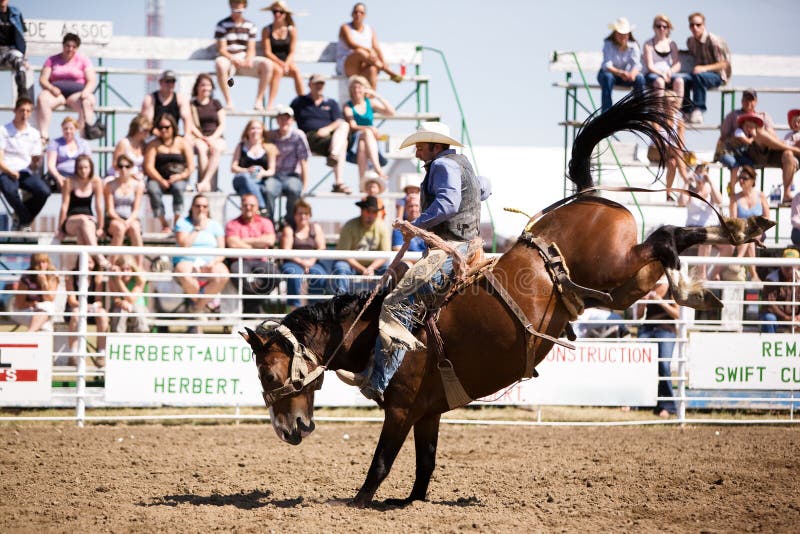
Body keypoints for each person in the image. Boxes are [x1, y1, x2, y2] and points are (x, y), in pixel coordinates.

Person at [337, 122, 491, 402]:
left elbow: (448, 204)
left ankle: (378, 379)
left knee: (397, 302)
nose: (417, 152)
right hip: (466, 244)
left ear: (435, 146)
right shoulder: (461, 163)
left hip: (450, 249)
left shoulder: (443, 166)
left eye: (420, 146)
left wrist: (415, 225)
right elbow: (483, 188)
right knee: (400, 279)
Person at [173, 194, 230, 332]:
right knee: (185, 273)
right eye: (198, 206)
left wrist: (213, 262)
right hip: (187, 261)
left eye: (204, 206)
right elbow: (184, 245)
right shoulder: (183, 223)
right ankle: (201, 308)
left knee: (223, 274)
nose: (201, 209)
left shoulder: (215, 225)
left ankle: (196, 308)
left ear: (208, 208)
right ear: (192, 207)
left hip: (210, 262)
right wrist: (197, 228)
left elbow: (222, 252)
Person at [35, 33, 105, 141]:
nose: (70, 49)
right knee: (42, 98)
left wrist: (86, 91)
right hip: (56, 94)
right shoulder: (52, 60)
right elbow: (43, 79)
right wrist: (51, 88)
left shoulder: (84, 60)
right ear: (63, 45)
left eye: (73, 47)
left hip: (76, 95)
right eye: (68, 46)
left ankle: (83, 138)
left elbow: (91, 80)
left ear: (77, 48)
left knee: (88, 101)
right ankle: (43, 136)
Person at [290, 73, 351, 194]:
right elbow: (289, 117)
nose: (319, 86)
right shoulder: (300, 102)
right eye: (316, 83)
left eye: (321, 84)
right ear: (309, 85)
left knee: (344, 128)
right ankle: (338, 181)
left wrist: (327, 129)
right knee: (342, 143)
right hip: (308, 137)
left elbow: (339, 120)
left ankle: (333, 157)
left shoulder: (331, 102)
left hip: (329, 139)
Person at [224, 192, 280, 314]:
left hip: (261, 262)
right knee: (240, 275)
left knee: (274, 275)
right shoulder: (232, 223)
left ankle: (252, 305)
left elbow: (270, 240)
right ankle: (254, 308)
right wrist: (257, 244)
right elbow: (232, 243)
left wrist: (243, 242)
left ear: (257, 206)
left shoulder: (266, 222)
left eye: (251, 205)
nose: (248, 207)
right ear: (241, 206)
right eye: (245, 205)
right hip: (240, 261)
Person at [0, 96, 48, 231]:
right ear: (15, 111)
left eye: (28, 111)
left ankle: (21, 218)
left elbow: (33, 164)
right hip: (6, 170)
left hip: (25, 172)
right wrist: (9, 171)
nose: (25, 114)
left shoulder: (34, 133)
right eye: (22, 110)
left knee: (44, 191)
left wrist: (36, 161)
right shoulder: (3, 130)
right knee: (9, 190)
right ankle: (25, 220)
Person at [214, 0, 271, 110]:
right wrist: (233, 59)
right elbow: (222, 50)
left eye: (239, 4)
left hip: (245, 61)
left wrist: (249, 59)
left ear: (244, 6)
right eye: (234, 3)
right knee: (220, 63)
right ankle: (229, 102)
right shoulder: (222, 25)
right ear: (230, 5)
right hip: (228, 60)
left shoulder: (250, 25)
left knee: (268, 64)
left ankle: (258, 101)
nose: (237, 6)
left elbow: (251, 48)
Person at [58, 154, 111, 271]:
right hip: (72, 219)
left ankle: (82, 270)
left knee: (83, 232)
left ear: (91, 168)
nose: (83, 171)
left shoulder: (96, 181)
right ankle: (99, 257)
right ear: (76, 169)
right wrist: (60, 228)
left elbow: (98, 205)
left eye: (86, 167)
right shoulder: (69, 181)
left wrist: (101, 227)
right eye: (80, 168)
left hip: (89, 220)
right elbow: (64, 205)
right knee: (82, 220)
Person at [143, 113, 195, 232]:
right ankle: (164, 223)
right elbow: (149, 166)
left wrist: (180, 176)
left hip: (179, 178)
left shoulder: (182, 142)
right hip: (158, 178)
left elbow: (191, 166)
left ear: (173, 127)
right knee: (152, 188)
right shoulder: (153, 144)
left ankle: (177, 220)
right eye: (161, 127)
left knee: (178, 188)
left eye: (167, 127)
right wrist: (161, 180)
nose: (164, 130)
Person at [636, 278, 679, 418]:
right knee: (636, 360)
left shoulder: (672, 288)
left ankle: (667, 406)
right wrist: (644, 301)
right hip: (648, 328)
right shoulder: (646, 286)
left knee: (664, 364)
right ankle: (633, 401)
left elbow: (677, 314)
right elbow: (638, 316)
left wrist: (660, 301)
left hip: (666, 328)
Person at [330, 195, 390, 295]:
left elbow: (384, 255)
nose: (370, 215)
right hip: (351, 265)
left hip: (373, 266)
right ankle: (340, 303)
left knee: (388, 269)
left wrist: (371, 268)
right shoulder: (350, 225)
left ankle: (383, 302)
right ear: (361, 211)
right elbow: (344, 254)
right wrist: (363, 269)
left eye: (374, 212)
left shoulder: (382, 227)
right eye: (368, 211)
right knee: (341, 267)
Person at [335, 2, 403, 89]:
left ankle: (371, 99)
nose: (358, 14)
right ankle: (388, 72)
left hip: (366, 64)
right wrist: (369, 50)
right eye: (356, 12)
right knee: (359, 52)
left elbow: (376, 48)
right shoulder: (345, 27)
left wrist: (383, 61)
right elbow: (351, 44)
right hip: (348, 65)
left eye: (361, 12)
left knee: (372, 69)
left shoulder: (369, 29)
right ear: (352, 14)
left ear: (365, 15)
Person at [680, 12, 730, 125]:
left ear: (704, 25)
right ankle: (686, 111)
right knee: (683, 80)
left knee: (699, 76)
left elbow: (724, 64)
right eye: (692, 25)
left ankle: (698, 110)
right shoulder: (690, 41)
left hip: (717, 75)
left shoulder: (713, 40)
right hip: (699, 75)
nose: (695, 27)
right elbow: (690, 54)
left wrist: (704, 68)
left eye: (698, 24)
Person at [343, 74, 394, 180]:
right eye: (354, 88)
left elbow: (390, 112)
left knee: (362, 144)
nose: (356, 90)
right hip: (355, 136)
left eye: (359, 87)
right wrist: (369, 128)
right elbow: (353, 125)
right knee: (367, 133)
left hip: (368, 139)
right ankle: (377, 167)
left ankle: (362, 181)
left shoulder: (369, 103)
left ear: (364, 89)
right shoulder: (348, 105)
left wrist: (377, 96)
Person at [279, 199, 328, 309]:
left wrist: (310, 261)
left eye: (305, 213)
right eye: (299, 213)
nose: (303, 216)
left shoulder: (315, 228)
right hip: (293, 261)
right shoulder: (289, 229)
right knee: (294, 275)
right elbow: (286, 251)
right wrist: (302, 262)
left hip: (313, 261)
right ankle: (294, 311)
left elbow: (322, 247)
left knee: (319, 275)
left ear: (310, 215)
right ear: (294, 215)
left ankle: (314, 310)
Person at [677, 163, 723, 280]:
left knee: (729, 247)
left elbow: (719, 201)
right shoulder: (691, 190)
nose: (699, 177)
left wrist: (710, 182)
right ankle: (702, 275)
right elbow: (681, 202)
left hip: (711, 228)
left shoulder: (711, 190)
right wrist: (687, 182)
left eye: (702, 174)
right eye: (698, 173)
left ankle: (714, 273)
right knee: (705, 238)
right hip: (692, 228)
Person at [265, 105, 309, 223]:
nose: (284, 121)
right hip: (274, 175)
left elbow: (303, 161)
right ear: (277, 120)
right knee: (268, 190)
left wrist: (304, 185)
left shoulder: (298, 136)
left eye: (287, 118)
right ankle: (269, 223)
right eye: (281, 118)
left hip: (292, 175)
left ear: (292, 120)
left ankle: (289, 222)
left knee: (294, 189)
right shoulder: (270, 135)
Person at [64, 256, 109, 364]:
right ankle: (73, 354)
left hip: (92, 310)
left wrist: (91, 306)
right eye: (84, 262)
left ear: (94, 264)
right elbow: (72, 300)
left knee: (103, 314)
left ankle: (101, 353)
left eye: (90, 262)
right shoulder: (71, 276)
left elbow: (99, 300)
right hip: (75, 308)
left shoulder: (97, 276)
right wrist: (84, 306)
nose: (87, 265)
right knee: (76, 313)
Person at [260, 0, 303, 110]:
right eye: (274, 12)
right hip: (272, 61)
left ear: (285, 14)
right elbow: (267, 52)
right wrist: (280, 63)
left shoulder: (291, 30)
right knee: (278, 71)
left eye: (280, 12)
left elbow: (292, 51)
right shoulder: (266, 30)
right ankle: (270, 104)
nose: (277, 14)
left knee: (297, 71)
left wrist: (287, 64)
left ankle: (304, 101)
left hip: (287, 61)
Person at [730, 165, 770, 281]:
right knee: (750, 240)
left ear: (752, 180)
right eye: (740, 178)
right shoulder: (735, 198)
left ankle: (738, 259)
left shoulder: (760, 196)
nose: (741, 180)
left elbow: (767, 217)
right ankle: (754, 275)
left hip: (759, 230)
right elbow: (733, 220)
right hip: (741, 231)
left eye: (745, 178)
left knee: (751, 235)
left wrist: (756, 226)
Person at [597, 17, 645, 113]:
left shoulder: (634, 45)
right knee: (608, 77)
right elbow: (607, 66)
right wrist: (621, 73)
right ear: (615, 33)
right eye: (620, 33)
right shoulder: (608, 44)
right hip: (608, 75)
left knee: (639, 78)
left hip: (624, 76)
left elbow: (637, 65)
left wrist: (632, 74)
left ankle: (639, 110)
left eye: (625, 34)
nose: (623, 36)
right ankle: (606, 113)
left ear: (628, 34)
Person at [188, 73, 226, 192]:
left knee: (217, 148)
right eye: (203, 85)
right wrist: (202, 137)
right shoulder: (192, 105)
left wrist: (212, 138)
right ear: (197, 87)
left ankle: (204, 182)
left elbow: (222, 124)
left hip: (216, 136)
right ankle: (205, 183)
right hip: (199, 136)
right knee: (201, 148)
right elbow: (190, 125)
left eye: (208, 85)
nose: (206, 88)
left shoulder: (216, 103)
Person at [104, 154, 145, 266]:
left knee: (135, 228)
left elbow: (136, 209)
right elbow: (110, 210)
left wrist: (129, 221)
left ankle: (139, 266)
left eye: (127, 166)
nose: (124, 169)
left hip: (131, 218)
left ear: (132, 168)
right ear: (116, 168)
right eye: (121, 166)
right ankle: (112, 264)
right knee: (119, 228)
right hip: (115, 218)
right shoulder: (110, 185)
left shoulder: (138, 185)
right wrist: (122, 221)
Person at [230, 119, 278, 214]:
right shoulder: (241, 146)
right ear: (247, 131)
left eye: (258, 128)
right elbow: (233, 167)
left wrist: (262, 173)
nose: (255, 131)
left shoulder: (269, 147)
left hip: (259, 181)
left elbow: (272, 170)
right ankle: (262, 206)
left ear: (262, 131)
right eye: (252, 128)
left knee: (248, 192)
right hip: (242, 178)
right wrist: (247, 170)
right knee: (246, 178)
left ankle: (253, 216)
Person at [641, 15, 684, 106]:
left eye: (665, 26)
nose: (661, 29)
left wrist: (669, 72)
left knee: (679, 81)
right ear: (654, 28)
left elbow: (677, 64)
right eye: (658, 26)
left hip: (668, 74)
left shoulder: (672, 44)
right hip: (652, 74)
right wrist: (661, 74)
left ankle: (676, 111)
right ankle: (659, 112)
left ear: (668, 28)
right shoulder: (648, 44)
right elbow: (650, 66)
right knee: (659, 82)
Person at [11, 253, 58, 333]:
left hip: (44, 310)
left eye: (43, 262)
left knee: (48, 307)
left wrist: (43, 282)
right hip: (26, 310)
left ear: (48, 263)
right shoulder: (26, 278)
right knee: (45, 324)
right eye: (37, 263)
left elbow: (49, 299)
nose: (41, 265)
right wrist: (33, 304)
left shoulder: (52, 276)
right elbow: (19, 304)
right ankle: (30, 334)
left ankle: (29, 334)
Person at [46, 116, 91, 192]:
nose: (68, 131)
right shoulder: (55, 143)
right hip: (61, 173)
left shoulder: (83, 143)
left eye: (71, 129)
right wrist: (58, 177)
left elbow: (88, 163)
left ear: (76, 129)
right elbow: (51, 165)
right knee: (68, 185)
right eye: (65, 129)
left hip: (79, 174)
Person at [140, 70, 192, 135]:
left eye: (172, 81)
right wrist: (159, 134)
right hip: (154, 136)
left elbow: (187, 119)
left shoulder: (181, 99)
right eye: (167, 81)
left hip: (174, 137)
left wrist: (187, 136)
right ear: (160, 82)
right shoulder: (150, 99)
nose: (170, 84)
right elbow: (146, 122)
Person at [760, 247, 800, 333]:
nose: (789, 266)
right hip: (776, 316)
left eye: (792, 263)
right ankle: (770, 342)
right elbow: (770, 305)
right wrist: (787, 318)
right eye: (786, 263)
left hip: (794, 317)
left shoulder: (799, 279)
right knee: (769, 318)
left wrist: (798, 317)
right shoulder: (771, 279)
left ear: (798, 266)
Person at [108, 255, 149, 333]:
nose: (125, 272)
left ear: (133, 269)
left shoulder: (140, 280)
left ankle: (143, 338)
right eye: (122, 269)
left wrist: (118, 281)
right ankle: (118, 339)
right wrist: (122, 302)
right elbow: (116, 299)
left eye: (128, 269)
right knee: (120, 312)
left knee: (138, 311)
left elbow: (131, 300)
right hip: (120, 306)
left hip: (138, 306)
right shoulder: (112, 279)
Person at [0, 0, 30, 99]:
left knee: (19, 61)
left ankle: (22, 95)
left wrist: (25, 59)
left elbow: (23, 36)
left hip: (10, 51)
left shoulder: (15, 12)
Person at [110, 114, 151, 179]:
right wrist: (129, 174)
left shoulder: (144, 145)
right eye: (145, 130)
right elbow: (115, 164)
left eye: (149, 130)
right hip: (120, 176)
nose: (148, 133)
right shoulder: (123, 143)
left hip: (138, 177)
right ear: (136, 129)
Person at [391, 193, 426, 257]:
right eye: (410, 206)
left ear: (421, 208)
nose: (413, 209)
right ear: (406, 208)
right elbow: (398, 250)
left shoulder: (429, 226)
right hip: (409, 262)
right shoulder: (399, 228)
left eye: (416, 206)